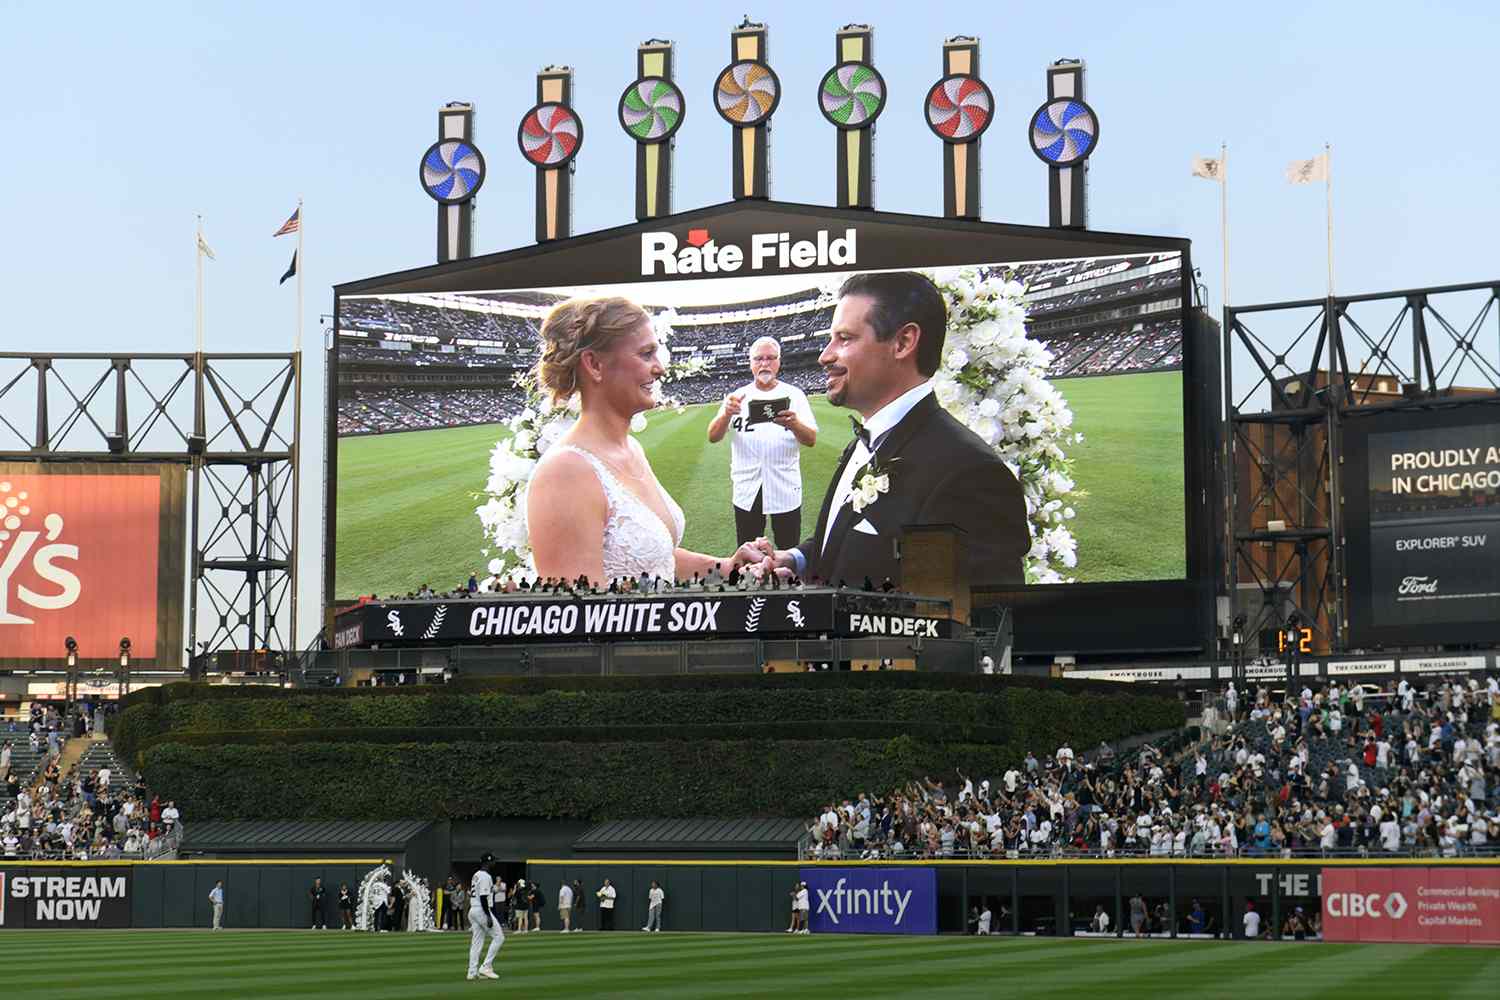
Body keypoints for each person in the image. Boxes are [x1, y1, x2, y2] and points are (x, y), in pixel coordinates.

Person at [749, 272, 1029, 588]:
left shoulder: (967, 475)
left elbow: (952, 614)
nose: (825, 356)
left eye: (845, 338)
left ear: (903, 342)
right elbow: (849, 538)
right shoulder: (864, 442)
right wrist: (796, 559)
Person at [525, 296, 769, 586]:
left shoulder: (632, 448)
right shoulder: (564, 473)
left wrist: (727, 568)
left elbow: (655, 559)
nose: (660, 368)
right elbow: (579, 610)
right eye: (646, 354)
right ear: (594, 364)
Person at [707, 335, 818, 550]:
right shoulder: (737, 397)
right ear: (750, 363)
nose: (764, 363)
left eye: (770, 358)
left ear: (779, 361)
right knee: (748, 550)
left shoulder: (794, 395)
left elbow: (810, 439)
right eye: (758, 359)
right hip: (747, 486)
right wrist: (726, 414)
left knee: (788, 548)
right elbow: (713, 436)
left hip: (784, 485)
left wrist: (794, 424)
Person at [466, 854, 504, 980]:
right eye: (493, 861)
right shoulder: (485, 876)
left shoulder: (476, 874)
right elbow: (483, 897)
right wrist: (488, 916)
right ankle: (486, 967)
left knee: (476, 943)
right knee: (499, 937)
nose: (494, 863)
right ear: (488, 862)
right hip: (481, 910)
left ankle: (472, 972)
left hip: (473, 909)